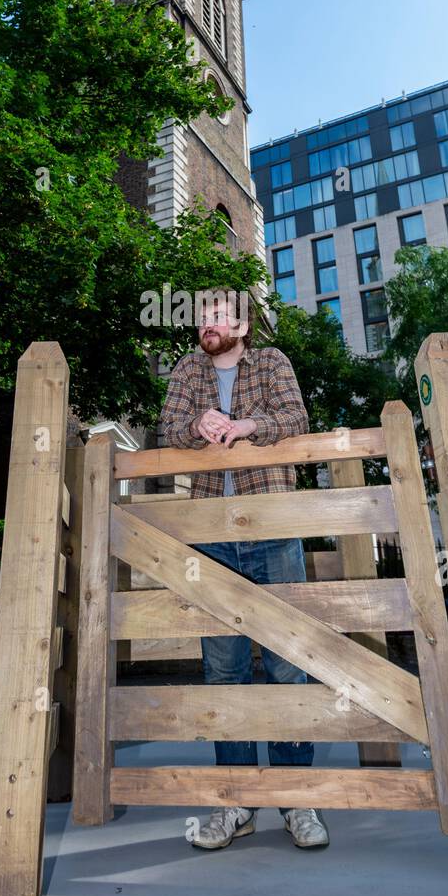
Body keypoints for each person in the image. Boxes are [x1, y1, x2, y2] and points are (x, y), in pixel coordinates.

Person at [160, 291, 329, 851]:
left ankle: (295, 798)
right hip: (211, 531)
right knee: (223, 670)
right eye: (201, 319)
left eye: (218, 317)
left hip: (273, 525)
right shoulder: (187, 369)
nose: (207, 325)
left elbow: (297, 418)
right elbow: (166, 428)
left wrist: (250, 424)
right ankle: (234, 801)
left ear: (243, 324)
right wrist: (197, 424)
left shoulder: (272, 361)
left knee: (287, 664)